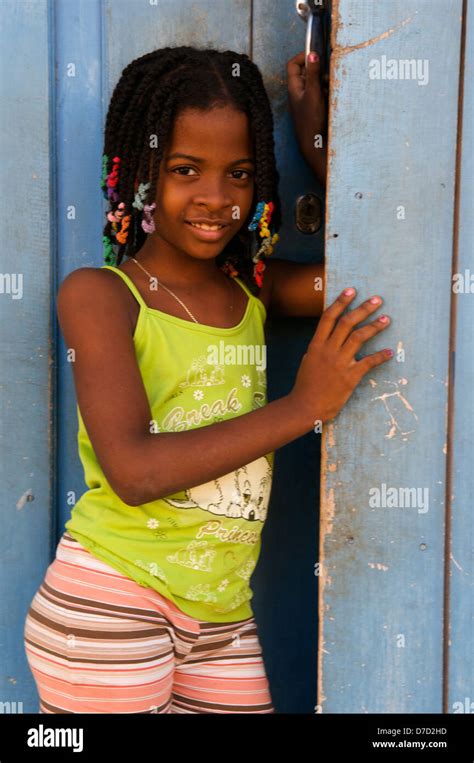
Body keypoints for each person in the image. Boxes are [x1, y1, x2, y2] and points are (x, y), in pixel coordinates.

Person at [23, 46, 393, 714]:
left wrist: (316, 139)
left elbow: (379, 253)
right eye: (185, 170)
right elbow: (133, 472)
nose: (217, 198)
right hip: (113, 603)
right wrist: (305, 405)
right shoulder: (102, 297)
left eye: (241, 173)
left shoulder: (251, 292)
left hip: (221, 617)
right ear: (139, 173)